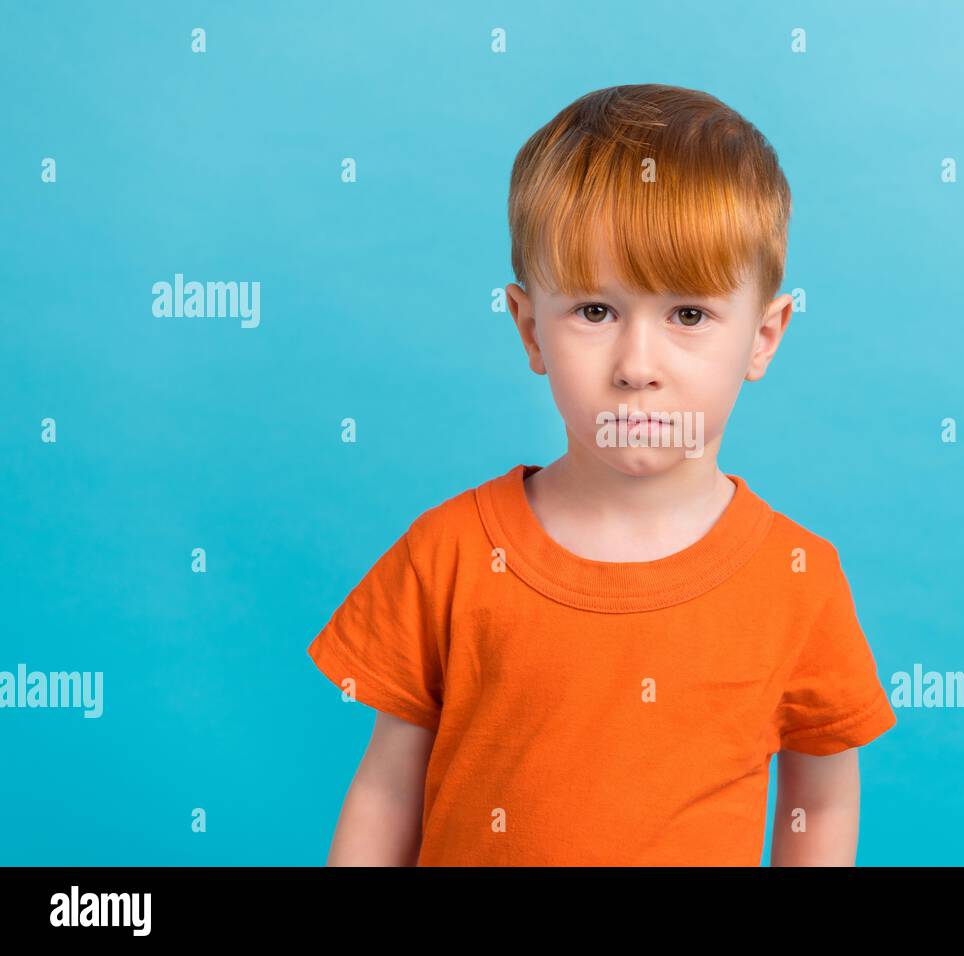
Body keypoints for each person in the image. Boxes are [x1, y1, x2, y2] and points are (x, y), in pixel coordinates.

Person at [308, 83, 896, 866]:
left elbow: (820, 804)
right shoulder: (450, 552)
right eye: (594, 312)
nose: (637, 367)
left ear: (764, 336)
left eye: (688, 315)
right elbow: (387, 791)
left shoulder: (799, 578)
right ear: (530, 329)